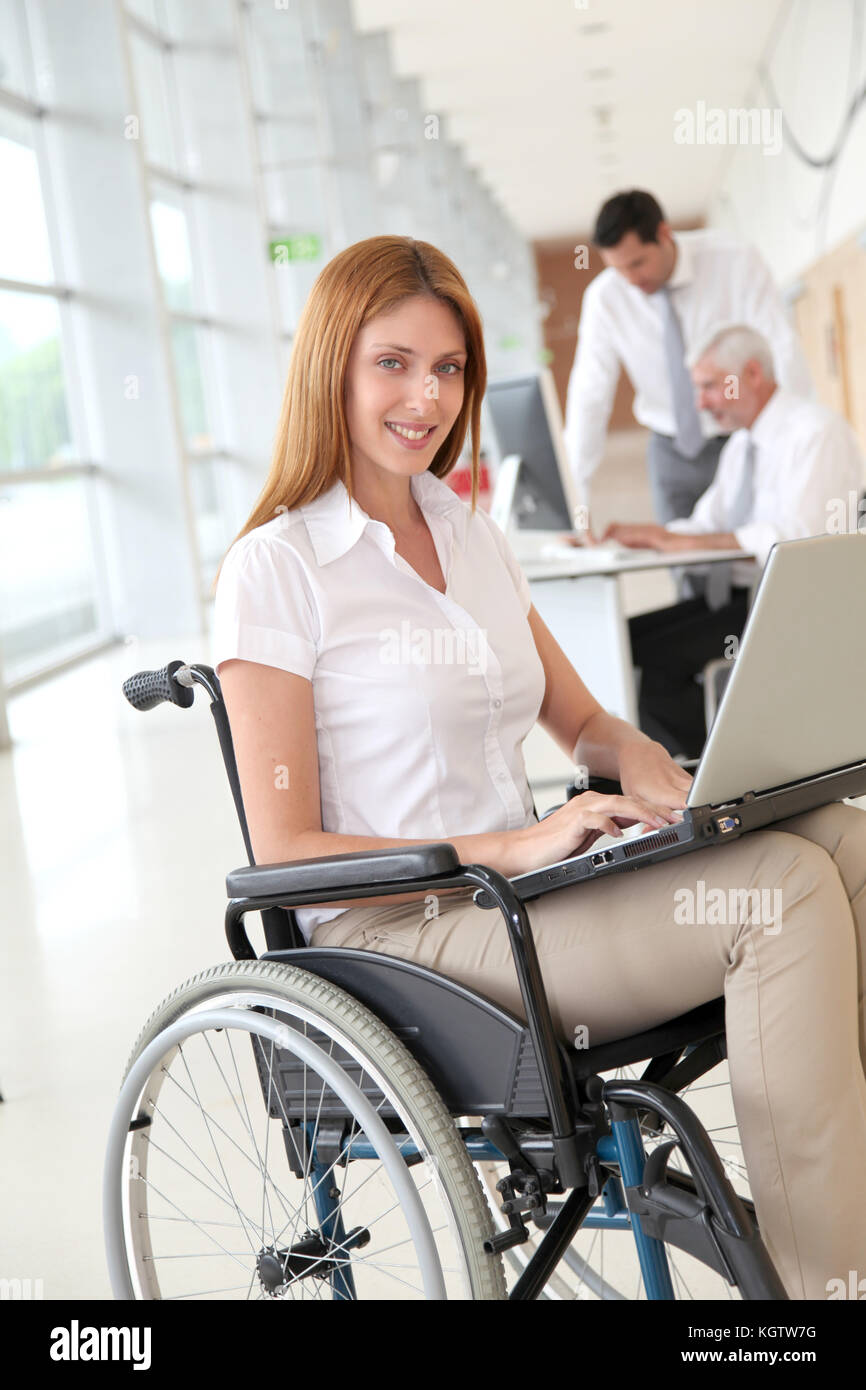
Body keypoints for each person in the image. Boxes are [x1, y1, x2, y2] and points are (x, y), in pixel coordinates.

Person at [212, 234, 866, 1300]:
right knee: (777, 895)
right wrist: (508, 845)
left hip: (524, 895)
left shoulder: (466, 533)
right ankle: (818, 1291)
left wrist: (660, 778)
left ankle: (845, 1208)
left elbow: (587, 724)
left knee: (842, 836)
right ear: (331, 362)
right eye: (393, 362)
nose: (426, 394)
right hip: (407, 939)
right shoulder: (276, 569)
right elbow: (283, 848)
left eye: (449, 366)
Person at [601, 323, 865, 760]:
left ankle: (695, 785)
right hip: (745, 598)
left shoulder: (816, 434)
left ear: (752, 374)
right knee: (626, 640)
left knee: (653, 660)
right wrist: (650, 538)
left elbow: (802, 543)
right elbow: (708, 524)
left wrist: (684, 542)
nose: (700, 403)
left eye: (709, 387)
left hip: (792, 608)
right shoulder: (741, 445)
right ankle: (689, 772)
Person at [563, 190, 812, 595]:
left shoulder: (733, 260)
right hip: (670, 448)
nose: (631, 279)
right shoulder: (606, 299)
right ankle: (712, 654)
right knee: (685, 570)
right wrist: (577, 497)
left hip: (741, 439)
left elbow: (780, 347)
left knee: (765, 560)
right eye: (618, 269)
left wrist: (794, 434)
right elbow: (590, 394)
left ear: (664, 234)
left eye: (638, 263)